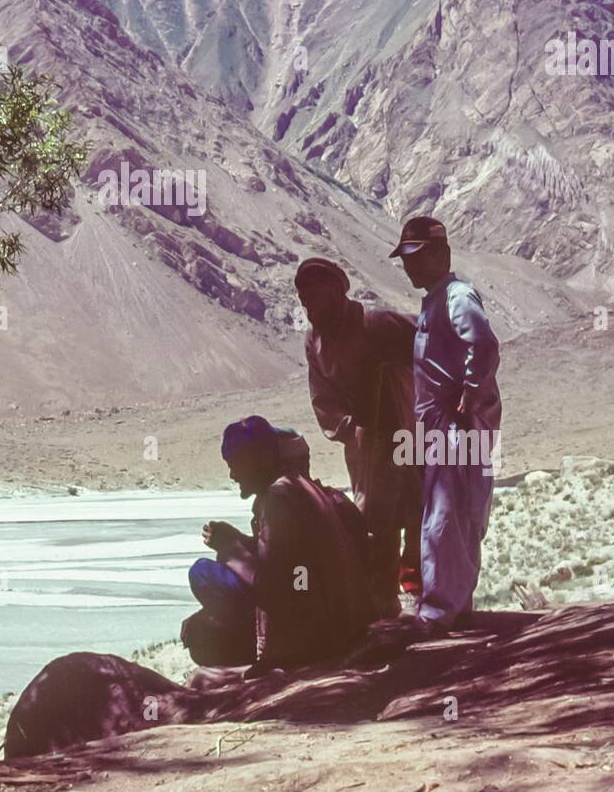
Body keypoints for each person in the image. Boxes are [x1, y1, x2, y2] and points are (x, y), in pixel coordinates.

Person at [181, 416, 375, 672]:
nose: (232, 475)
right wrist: (237, 541)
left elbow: (271, 584)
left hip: (315, 639)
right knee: (204, 622)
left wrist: (229, 548)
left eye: (236, 463)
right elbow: (285, 562)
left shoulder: (279, 498)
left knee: (202, 584)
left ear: (263, 458)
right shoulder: (304, 490)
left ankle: (279, 654)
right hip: (340, 626)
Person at [389, 216, 501, 631]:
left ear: (443, 254)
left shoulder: (457, 296)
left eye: (417, 256)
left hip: (457, 426)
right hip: (444, 426)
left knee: (444, 516)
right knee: (457, 513)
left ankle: (437, 612)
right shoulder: (436, 299)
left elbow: (484, 345)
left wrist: (470, 393)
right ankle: (458, 605)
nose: (409, 266)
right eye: (405, 258)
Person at [296, 256, 420, 618]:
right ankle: (383, 603)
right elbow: (321, 394)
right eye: (303, 301)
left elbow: (430, 347)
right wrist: (350, 429)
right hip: (364, 446)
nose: (308, 308)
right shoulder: (314, 342)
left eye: (314, 297)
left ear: (337, 291)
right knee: (374, 522)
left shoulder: (376, 323)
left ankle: (420, 594)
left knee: (418, 512)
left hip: (408, 434)